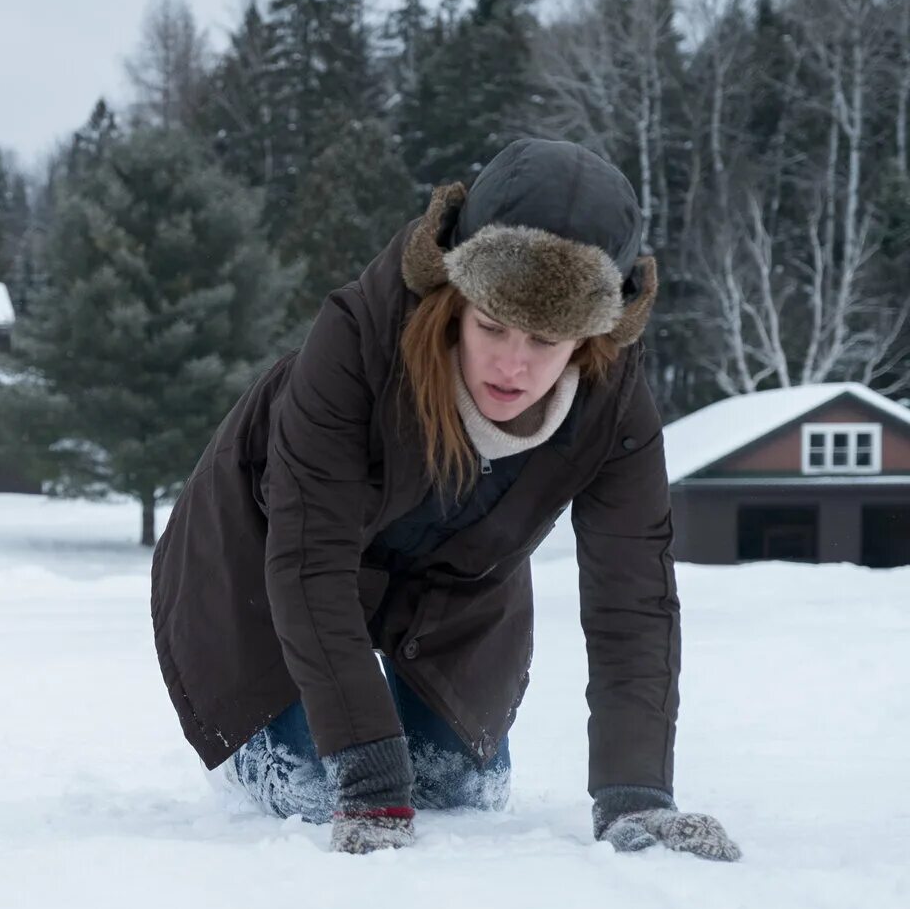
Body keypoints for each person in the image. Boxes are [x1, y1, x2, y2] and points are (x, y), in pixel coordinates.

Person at [151, 138, 738, 860]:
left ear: (589, 339)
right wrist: (368, 785)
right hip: (270, 563)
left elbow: (633, 599)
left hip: (454, 586)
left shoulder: (613, 401)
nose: (514, 364)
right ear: (454, 297)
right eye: (492, 325)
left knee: (457, 796)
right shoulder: (357, 341)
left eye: (546, 340)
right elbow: (311, 564)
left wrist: (636, 796)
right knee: (316, 791)